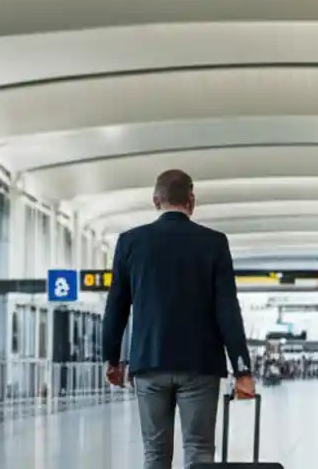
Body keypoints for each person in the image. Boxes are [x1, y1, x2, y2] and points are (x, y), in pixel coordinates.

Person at [102, 169, 255, 469]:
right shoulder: (214, 243)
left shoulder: (130, 242)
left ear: (156, 200)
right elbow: (228, 310)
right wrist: (242, 368)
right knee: (199, 451)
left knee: (155, 453)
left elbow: (116, 306)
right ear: (191, 201)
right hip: (200, 366)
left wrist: (111, 358)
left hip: (149, 363)